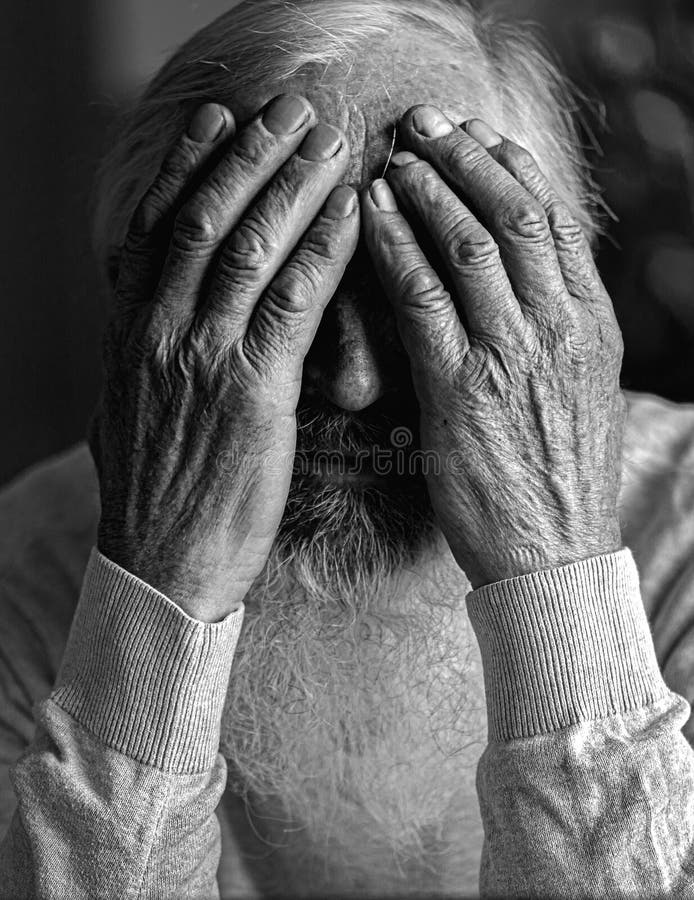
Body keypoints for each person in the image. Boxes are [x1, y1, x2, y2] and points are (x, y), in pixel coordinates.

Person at [1, 0, 694, 896]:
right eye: (282, 288)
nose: (354, 382)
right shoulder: (23, 575)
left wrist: (554, 570)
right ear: (144, 319)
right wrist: (162, 587)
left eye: (429, 288)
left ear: (552, 306)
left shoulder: (683, 530)